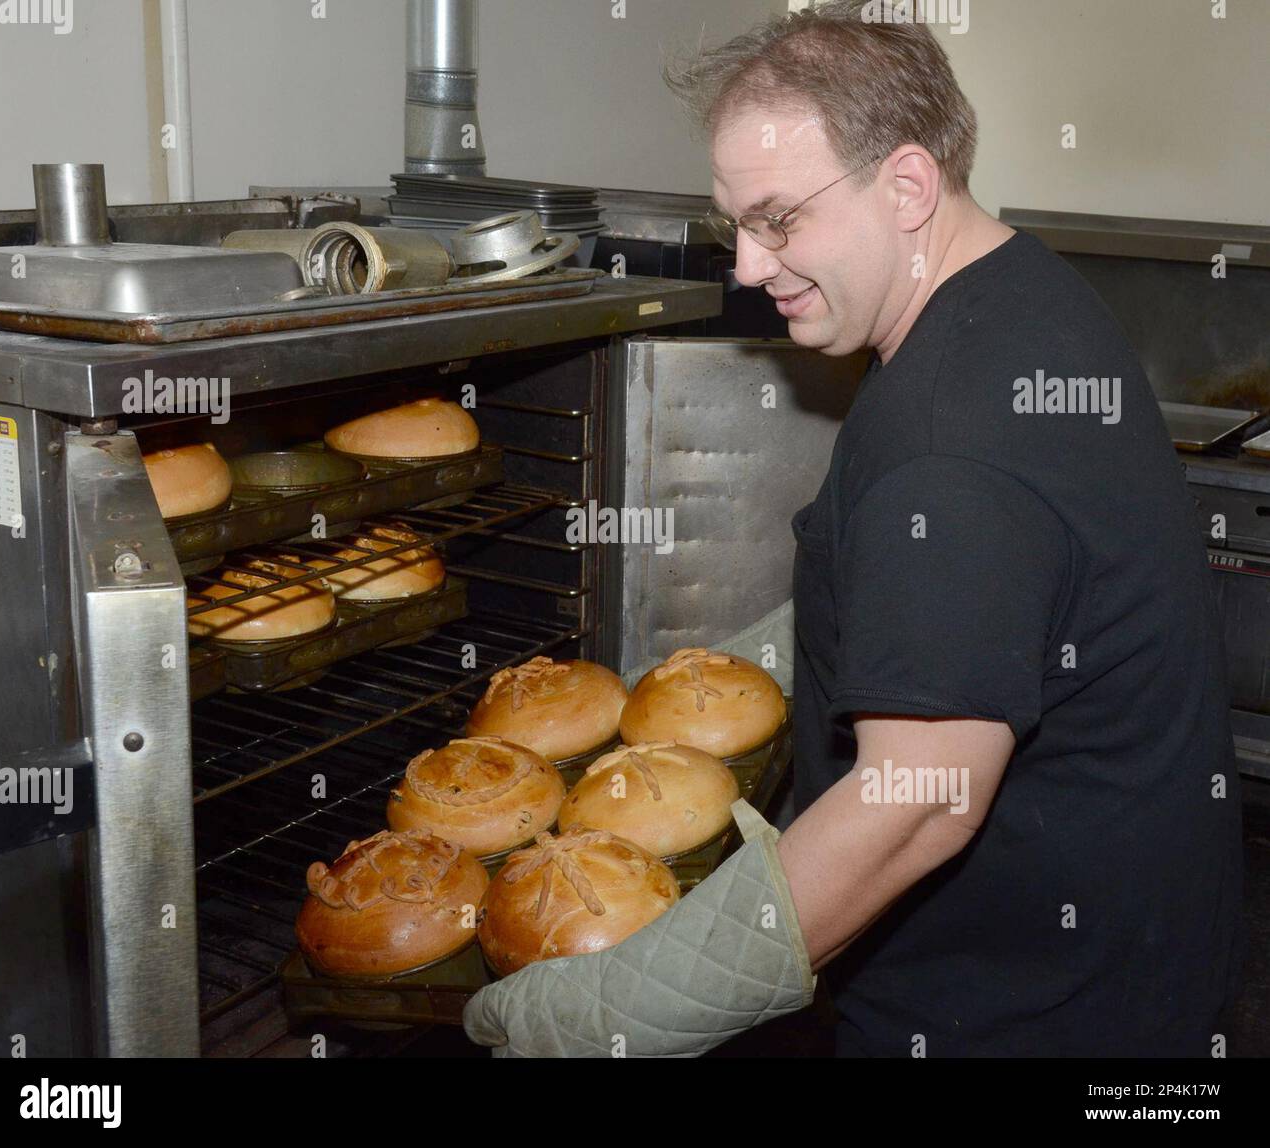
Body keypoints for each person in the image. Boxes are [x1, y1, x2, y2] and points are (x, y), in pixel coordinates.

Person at [463, 0, 1244, 1058]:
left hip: (1024, 1011)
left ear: (908, 185)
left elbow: (915, 804)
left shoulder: (952, 444)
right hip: (1136, 965)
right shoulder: (1012, 290)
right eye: (733, 223)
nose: (745, 265)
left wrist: (617, 1011)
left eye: (779, 219)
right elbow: (955, 596)